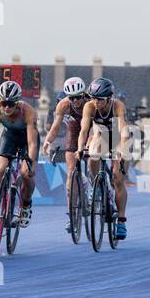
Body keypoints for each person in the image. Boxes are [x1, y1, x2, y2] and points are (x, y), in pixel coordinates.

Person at [0, 80, 38, 228]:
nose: (6, 107)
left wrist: (30, 162)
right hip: (9, 136)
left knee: (26, 173)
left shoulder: (28, 112)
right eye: (3, 103)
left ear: (17, 102)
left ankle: (26, 206)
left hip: (27, 139)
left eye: (10, 104)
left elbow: (32, 143)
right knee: (0, 169)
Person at [75, 77, 129, 240]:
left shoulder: (118, 105)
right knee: (93, 152)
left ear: (109, 98)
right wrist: (79, 149)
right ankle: (97, 184)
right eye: (93, 98)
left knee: (118, 179)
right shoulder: (89, 106)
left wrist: (121, 152)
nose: (96, 102)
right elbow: (84, 130)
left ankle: (121, 221)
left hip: (120, 138)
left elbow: (123, 131)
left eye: (100, 99)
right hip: (101, 137)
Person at [44, 76, 89, 230]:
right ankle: (71, 213)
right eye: (72, 98)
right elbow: (55, 127)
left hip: (93, 130)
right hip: (75, 131)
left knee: (95, 159)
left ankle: (98, 186)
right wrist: (47, 141)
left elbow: (95, 128)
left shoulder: (91, 102)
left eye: (79, 97)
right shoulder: (63, 105)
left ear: (84, 94)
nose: (76, 101)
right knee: (70, 172)